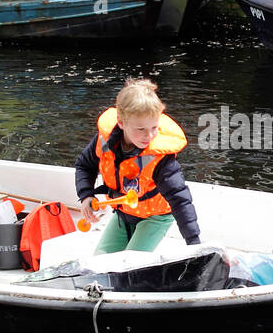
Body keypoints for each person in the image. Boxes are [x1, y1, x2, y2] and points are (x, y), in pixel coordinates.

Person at [75, 78, 200, 253]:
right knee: (100, 262)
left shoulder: (160, 158)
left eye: (154, 127)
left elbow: (180, 200)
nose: (149, 136)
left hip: (155, 216)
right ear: (121, 122)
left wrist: (195, 244)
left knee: (130, 265)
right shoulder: (103, 140)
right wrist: (86, 195)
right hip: (124, 214)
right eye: (140, 129)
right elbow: (84, 166)